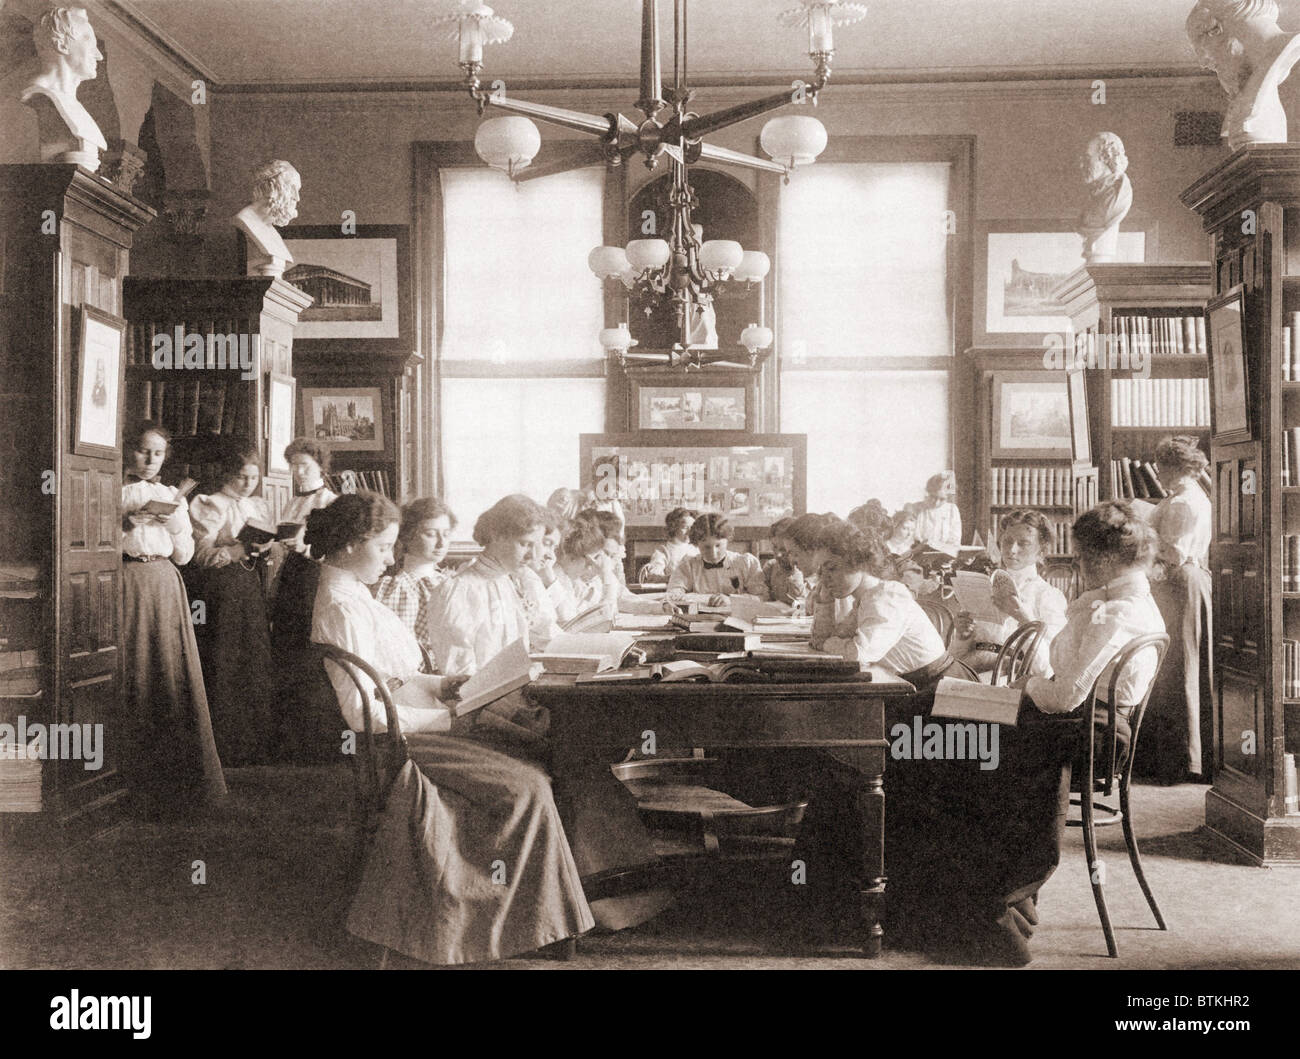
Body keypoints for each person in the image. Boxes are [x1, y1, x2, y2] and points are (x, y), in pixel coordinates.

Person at [308, 492, 593, 964]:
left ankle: (546, 920)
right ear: (350, 545)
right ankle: (516, 926)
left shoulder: (354, 591)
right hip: (397, 742)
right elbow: (366, 714)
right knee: (525, 785)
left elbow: (389, 677)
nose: (390, 557)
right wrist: (453, 717)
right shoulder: (341, 604)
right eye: (383, 548)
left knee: (535, 761)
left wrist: (444, 684)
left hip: (414, 722)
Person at [889, 501, 1166, 965]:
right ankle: (923, 898)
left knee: (923, 736)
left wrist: (1022, 688)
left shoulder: (1116, 612)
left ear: (1101, 559)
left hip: (1081, 729)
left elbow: (1065, 695)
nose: (1078, 566)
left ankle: (950, 908)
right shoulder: (1118, 603)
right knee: (921, 711)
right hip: (1066, 718)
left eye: (1080, 558)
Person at [424, 494, 673, 930]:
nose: (532, 554)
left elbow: (545, 637)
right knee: (578, 751)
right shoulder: (458, 589)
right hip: (478, 714)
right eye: (524, 543)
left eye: (537, 544)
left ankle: (610, 887)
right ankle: (604, 896)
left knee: (585, 749)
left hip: (518, 698)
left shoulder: (514, 581)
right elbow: (458, 675)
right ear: (495, 536)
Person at [119, 422, 226, 812]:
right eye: (143, 451)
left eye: (158, 453)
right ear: (128, 450)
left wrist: (173, 522)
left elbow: (183, 555)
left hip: (164, 582)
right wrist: (125, 524)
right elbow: (90, 544)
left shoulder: (170, 495)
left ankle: (178, 784)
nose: (149, 460)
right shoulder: (111, 489)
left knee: (169, 672)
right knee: (136, 671)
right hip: (126, 581)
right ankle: (134, 784)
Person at [186, 446, 277, 765]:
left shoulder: (255, 505)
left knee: (252, 658)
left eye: (253, 477)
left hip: (249, 587)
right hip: (219, 590)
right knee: (224, 659)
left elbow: (258, 551)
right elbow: (201, 557)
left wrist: (261, 547)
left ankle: (252, 745)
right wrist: (236, 551)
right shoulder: (209, 504)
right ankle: (223, 747)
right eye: (241, 476)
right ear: (227, 474)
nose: (248, 483)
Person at [1143, 436, 1214, 782]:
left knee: (1178, 665)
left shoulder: (1183, 503)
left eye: (1162, 468)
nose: (1158, 473)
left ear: (1176, 468)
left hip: (1178, 584)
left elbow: (1173, 554)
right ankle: (1187, 757)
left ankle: (1182, 760)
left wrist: (1146, 540)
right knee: (1180, 664)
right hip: (1186, 581)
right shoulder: (1189, 497)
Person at [269, 438, 338, 762]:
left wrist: (304, 549)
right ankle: (289, 736)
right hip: (291, 578)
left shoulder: (330, 502)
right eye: (293, 466)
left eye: (304, 466)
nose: (297, 472)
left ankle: (314, 739)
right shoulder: (292, 501)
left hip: (313, 578)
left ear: (320, 467)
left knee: (308, 650)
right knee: (286, 649)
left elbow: (332, 553)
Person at [951, 508, 1068, 679]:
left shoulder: (1048, 595)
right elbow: (957, 657)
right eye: (1007, 541)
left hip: (1011, 674)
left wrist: (1025, 621)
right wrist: (963, 636)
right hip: (971, 668)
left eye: (1024, 543)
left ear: (1041, 551)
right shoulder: (984, 586)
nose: (1012, 549)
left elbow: (1049, 669)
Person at [373, 497, 456, 664]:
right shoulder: (396, 588)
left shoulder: (451, 582)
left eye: (446, 534)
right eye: (430, 534)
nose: (441, 543)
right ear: (407, 536)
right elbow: (395, 652)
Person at [666, 513, 765, 605]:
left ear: (728, 539)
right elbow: (673, 593)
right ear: (696, 543)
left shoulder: (745, 563)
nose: (713, 553)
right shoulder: (689, 565)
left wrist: (731, 599)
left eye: (718, 545)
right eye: (706, 547)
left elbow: (761, 597)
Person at [638, 507, 698, 585]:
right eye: (685, 528)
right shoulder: (664, 550)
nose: (689, 532)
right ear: (674, 527)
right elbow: (654, 576)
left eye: (692, 528)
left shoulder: (696, 548)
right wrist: (674, 578)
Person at [912, 471, 962, 557]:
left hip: (945, 558)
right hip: (919, 557)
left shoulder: (952, 510)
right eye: (933, 497)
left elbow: (955, 541)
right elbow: (911, 541)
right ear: (928, 492)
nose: (936, 503)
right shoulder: (916, 508)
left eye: (942, 499)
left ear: (948, 498)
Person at [762, 516, 807, 605]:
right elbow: (764, 599)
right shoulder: (771, 568)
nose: (778, 554)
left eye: (784, 549)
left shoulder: (805, 570)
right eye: (775, 547)